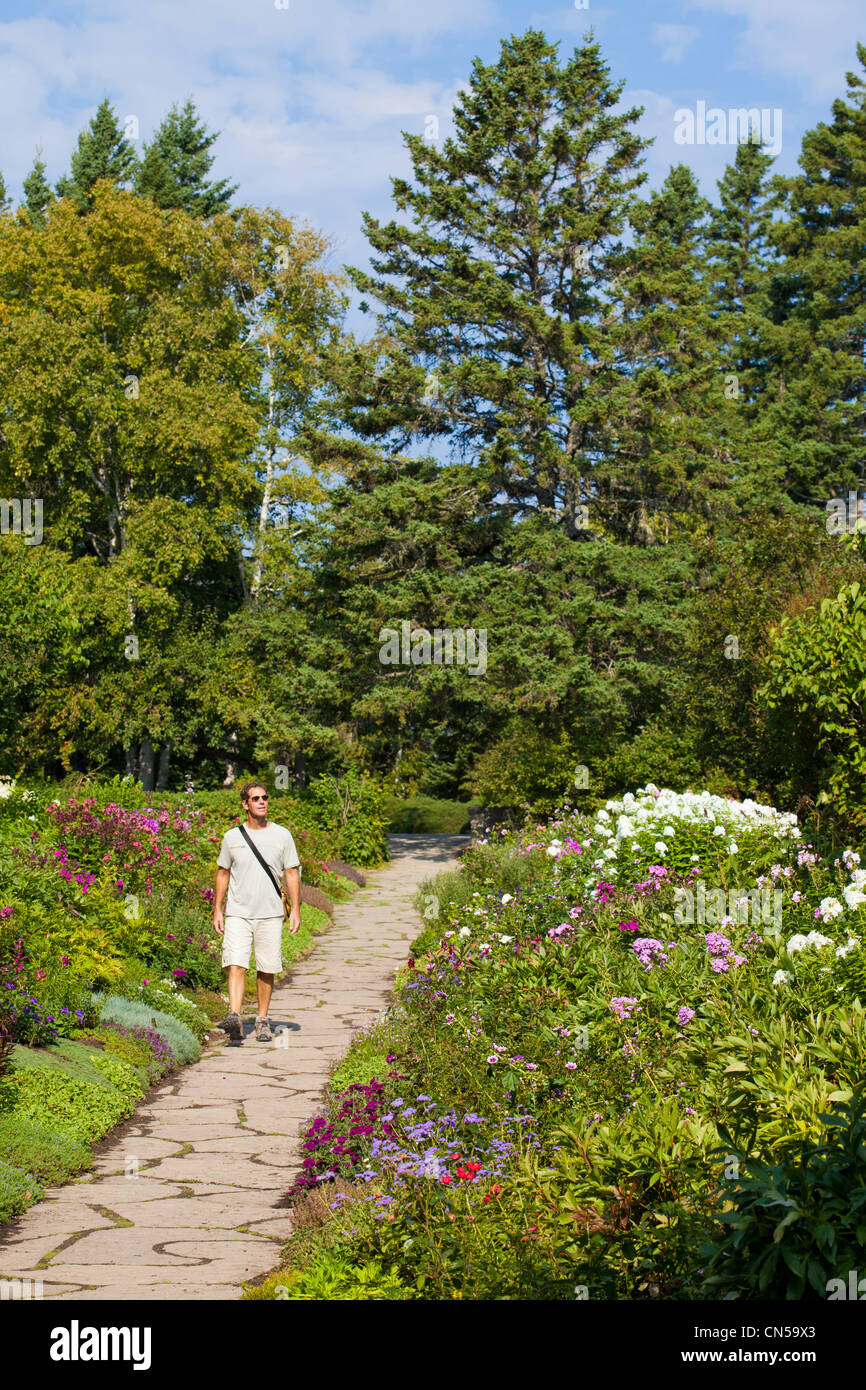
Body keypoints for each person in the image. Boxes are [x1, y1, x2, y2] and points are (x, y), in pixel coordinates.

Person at [213, 781, 301, 1042]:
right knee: (235, 964)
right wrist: (217, 908)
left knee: (266, 967)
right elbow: (223, 872)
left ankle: (262, 1019)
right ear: (245, 804)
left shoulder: (282, 835)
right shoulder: (232, 837)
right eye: (256, 798)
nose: (262, 801)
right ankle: (235, 1016)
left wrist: (295, 909)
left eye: (265, 797)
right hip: (238, 912)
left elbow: (292, 872)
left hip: (271, 913)